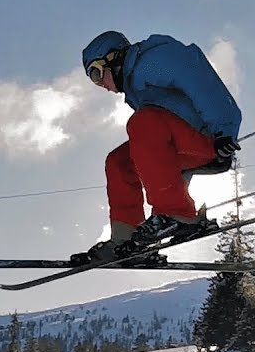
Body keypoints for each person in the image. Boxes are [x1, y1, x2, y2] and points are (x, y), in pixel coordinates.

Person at [70, 30, 242, 265]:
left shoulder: (151, 60)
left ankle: (176, 213)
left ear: (113, 58)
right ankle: (126, 239)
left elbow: (197, 76)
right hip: (183, 143)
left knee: (143, 123)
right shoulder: (136, 88)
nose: (103, 86)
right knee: (118, 162)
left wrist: (224, 129)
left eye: (96, 74)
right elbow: (158, 152)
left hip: (209, 137)